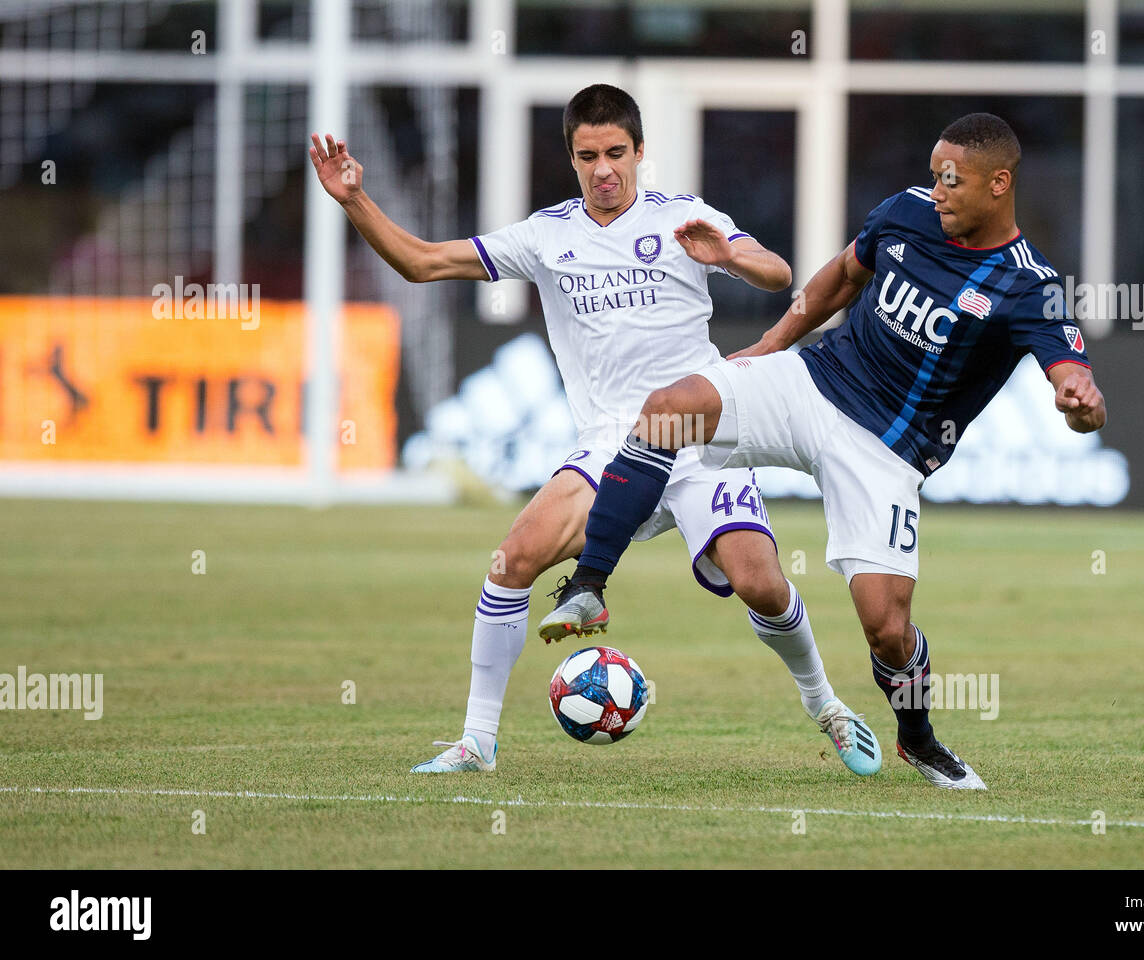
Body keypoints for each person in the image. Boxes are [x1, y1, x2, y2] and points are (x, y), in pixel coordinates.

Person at [310, 84, 880, 777]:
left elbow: (778, 272)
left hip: (702, 432)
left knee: (761, 584)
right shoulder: (547, 234)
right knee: (513, 560)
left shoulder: (685, 217)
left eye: (616, 153)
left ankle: (828, 708)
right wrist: (354, 200)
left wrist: (725, 256)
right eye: (588, 156)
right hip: (612, 441)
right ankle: (477, 742)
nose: (603, 169)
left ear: (640, 152)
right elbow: (423, 262)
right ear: (572, 158)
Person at [544, 112, 1109, 790]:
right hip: (814, 382)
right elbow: (842, 276)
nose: (936, 192)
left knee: (887, 630)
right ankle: (589, 585)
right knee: (669, 409)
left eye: (951, 181)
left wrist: (1083, 402)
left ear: (999, 183)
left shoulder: (1029, 285)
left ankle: (919, 740)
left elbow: (1073, 377)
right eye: (933, 176)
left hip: (887, 452)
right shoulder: (905, 213)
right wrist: (772, 345)